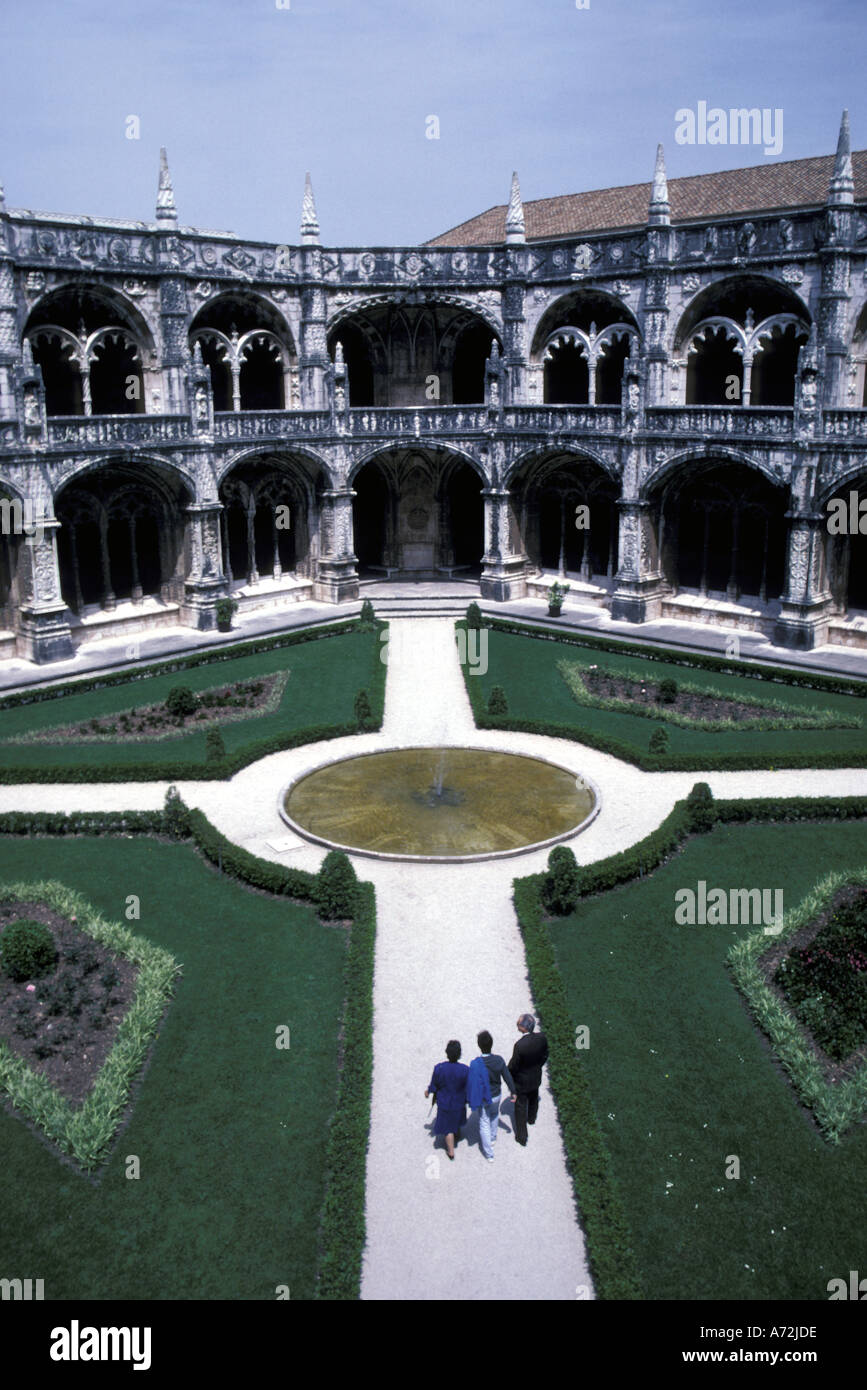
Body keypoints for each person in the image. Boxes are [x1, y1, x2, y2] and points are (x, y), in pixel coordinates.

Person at [471, 1031, 516, 1162]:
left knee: (484, 1122)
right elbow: (507, 1077)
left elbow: (472, 1082)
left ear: (479, 1045)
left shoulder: (476, 1063)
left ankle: (489, 1154)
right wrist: (513, 1091)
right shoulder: (499, 1060)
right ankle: (493, 1138)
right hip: (496, 1095)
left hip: (484, 1097)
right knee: (495, 1114)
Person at [508, 1013, 549, 1147]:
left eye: (518, 1024)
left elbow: (514, 1065)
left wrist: (510, 1076)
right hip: (535, 1076)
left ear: (524, 1028)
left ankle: (522, 1137)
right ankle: (531, 1119)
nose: (517, 1025)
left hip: (522, 1082)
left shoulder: (520, 1045)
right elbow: (545, 1055)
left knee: (520, 1108)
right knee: (534, 1098)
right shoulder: (542, 1038)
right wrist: (538, 1067)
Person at [425, 1040, 468, 1160]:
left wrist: (428, 1092)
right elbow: (467, 1087)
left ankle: (451, 1151)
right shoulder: (465, 1070)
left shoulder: (439, 1068)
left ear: (447, 1053)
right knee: (456, 1119)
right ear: (459, 1054)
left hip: (444, 1102)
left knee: (448, 1129)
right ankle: (457, 1133)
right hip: (459, 1102)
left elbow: (434, 1085)